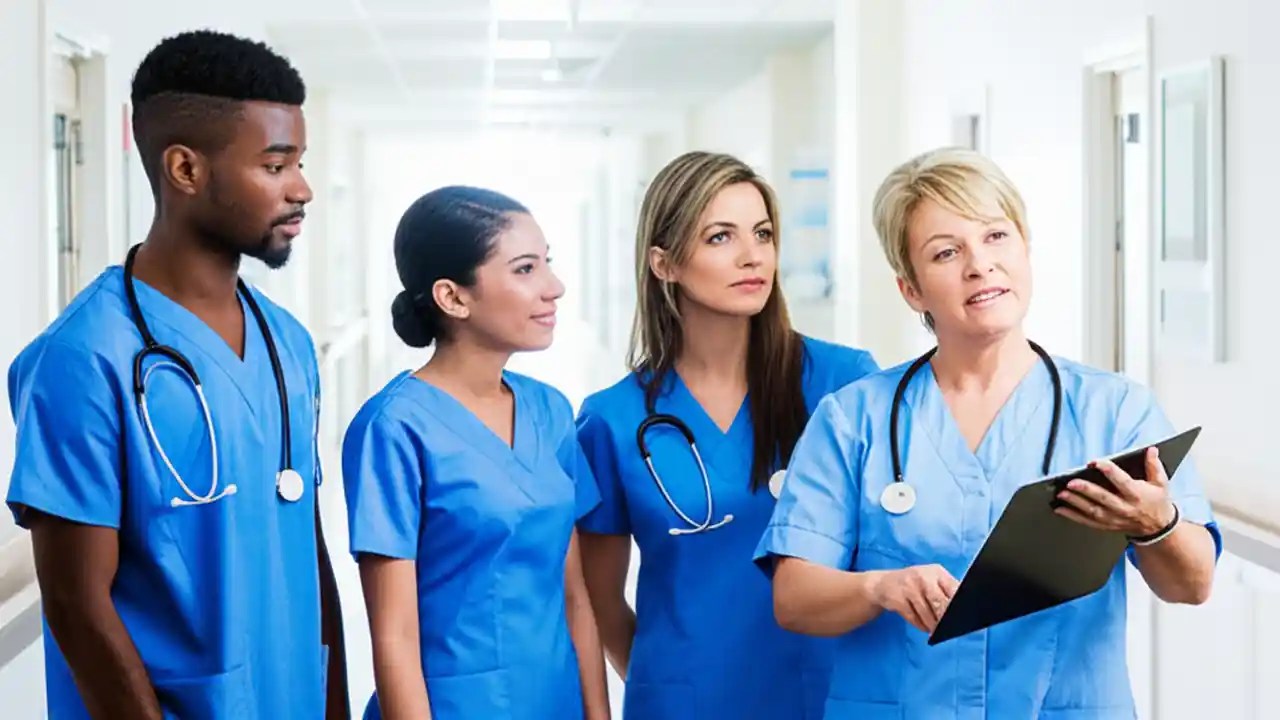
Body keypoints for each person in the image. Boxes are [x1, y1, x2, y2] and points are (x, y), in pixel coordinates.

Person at [753, 146, 1221, 718]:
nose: (980, 265)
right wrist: (878, 588)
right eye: (946, 252)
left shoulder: (1115, 411)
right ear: (912, 289)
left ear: (1025, 248)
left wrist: (1157, 526)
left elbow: (1191, 585)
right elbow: (794, 598)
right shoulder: (854, 420)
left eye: (996, 237)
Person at [5, 30, 349, 720]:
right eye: (276, 165)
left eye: (300, 162)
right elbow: (76, 604)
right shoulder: (85, 358)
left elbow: (308, 548)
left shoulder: (288, 345)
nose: (302, 188)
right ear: (185, 170)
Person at [574, 151, 880, 719]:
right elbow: (599, 598)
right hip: (685, 701)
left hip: (825, 693)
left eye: (762, 233)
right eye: (720, 237)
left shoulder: (845, 385)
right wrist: (670, 680)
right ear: (663, 264)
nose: (752, 256)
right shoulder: (612, 420)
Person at [341, 185, 610, 720]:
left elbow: (576, 595)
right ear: (453, 297)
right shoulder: (394, 427)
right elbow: (393, 635)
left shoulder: (551, 411)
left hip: (555, 702)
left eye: (546, 265)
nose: (553, 288)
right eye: (526, 269)